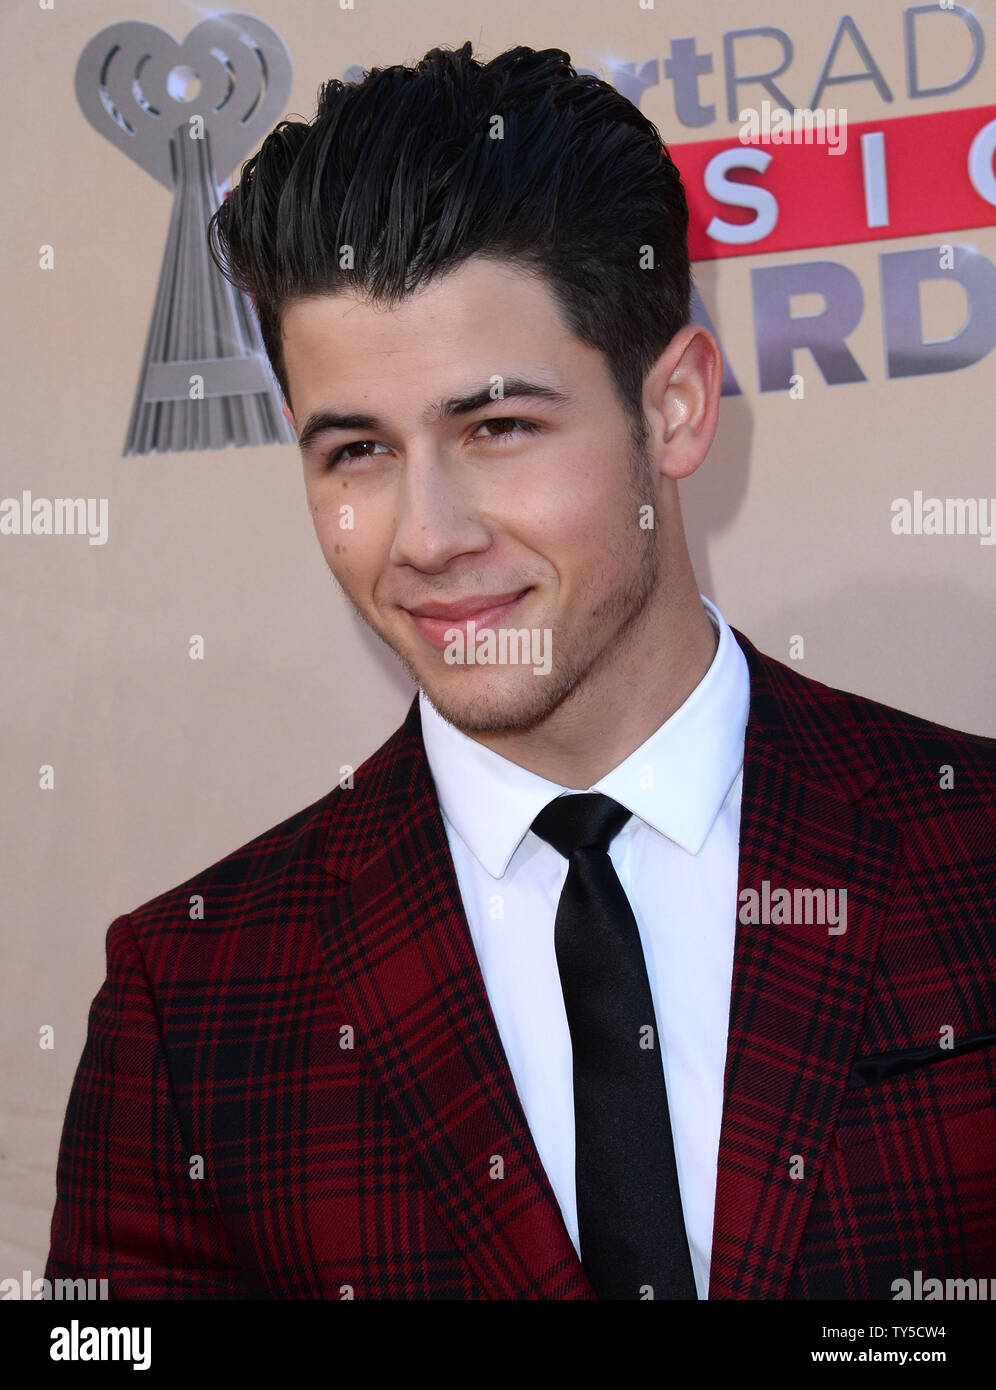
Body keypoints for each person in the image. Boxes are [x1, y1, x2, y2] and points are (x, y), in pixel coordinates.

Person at [46, 41, 995, 1301]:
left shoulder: (973, 852)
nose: (427, 536)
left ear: (675, 410)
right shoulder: (195, 1001)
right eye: (355, 453)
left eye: (496, 428)